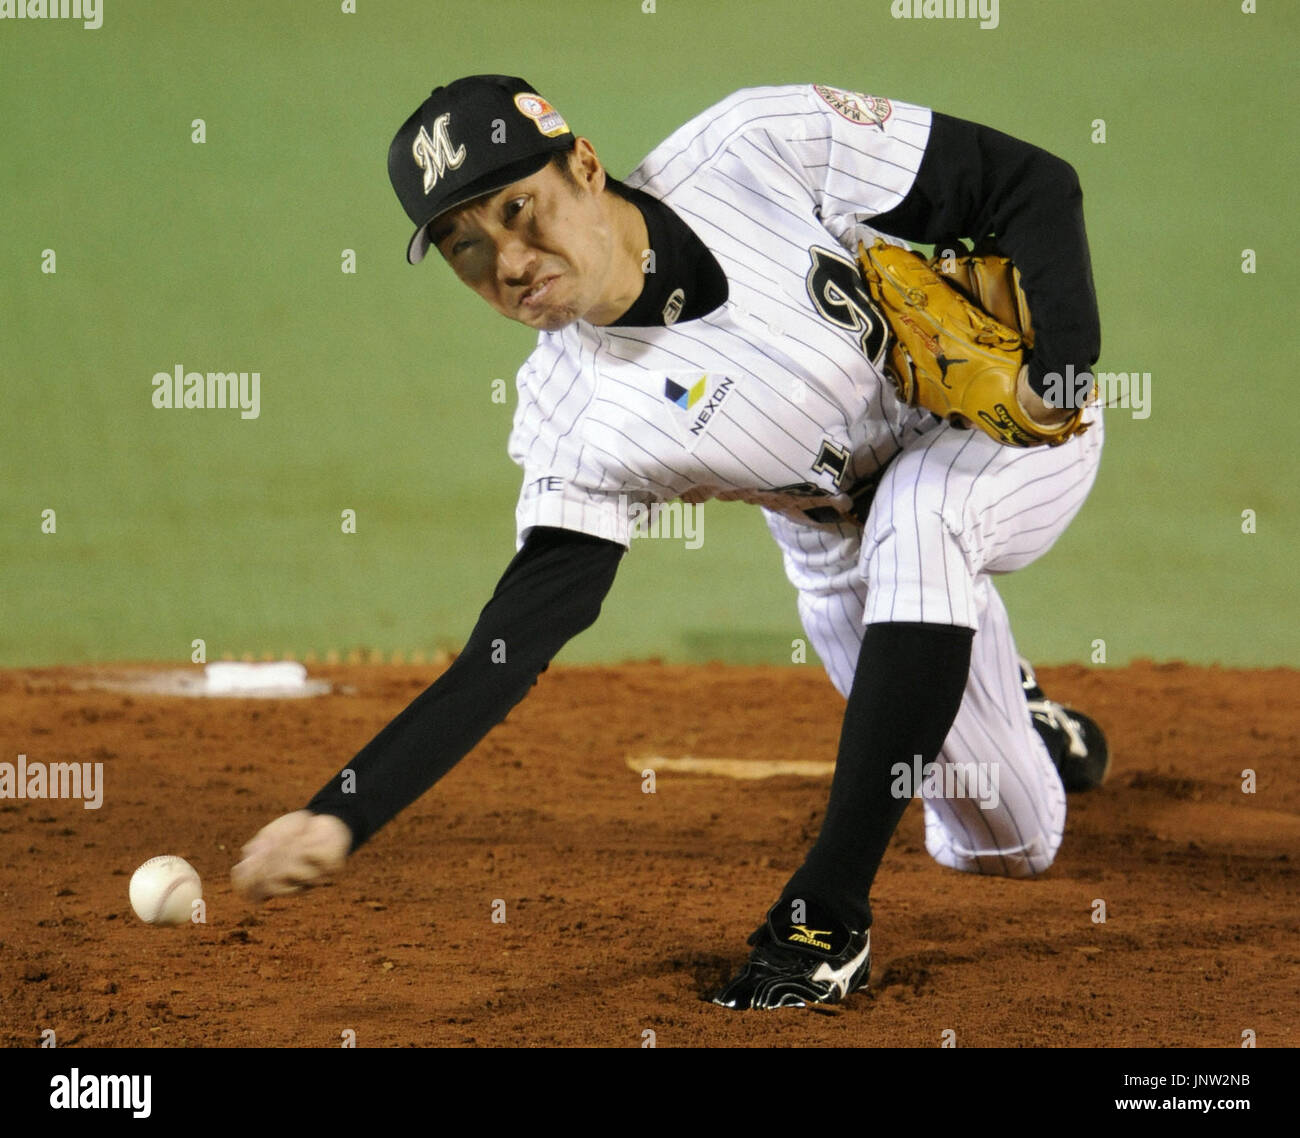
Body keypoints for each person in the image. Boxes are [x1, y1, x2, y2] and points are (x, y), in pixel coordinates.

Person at [232, 75, 1110, 1010]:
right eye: (466, 245)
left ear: (584, 164)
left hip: (1003, 442)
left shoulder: (756, 143)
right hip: (841, 544)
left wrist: (1059, 371)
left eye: (519, 209)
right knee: (1009, 845)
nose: (510, 259)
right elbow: (515, 639)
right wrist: (343, 811)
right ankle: (1002, 699)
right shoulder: (578, 421)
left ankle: (827, 918)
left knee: (920, 518)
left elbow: (1031, 183)